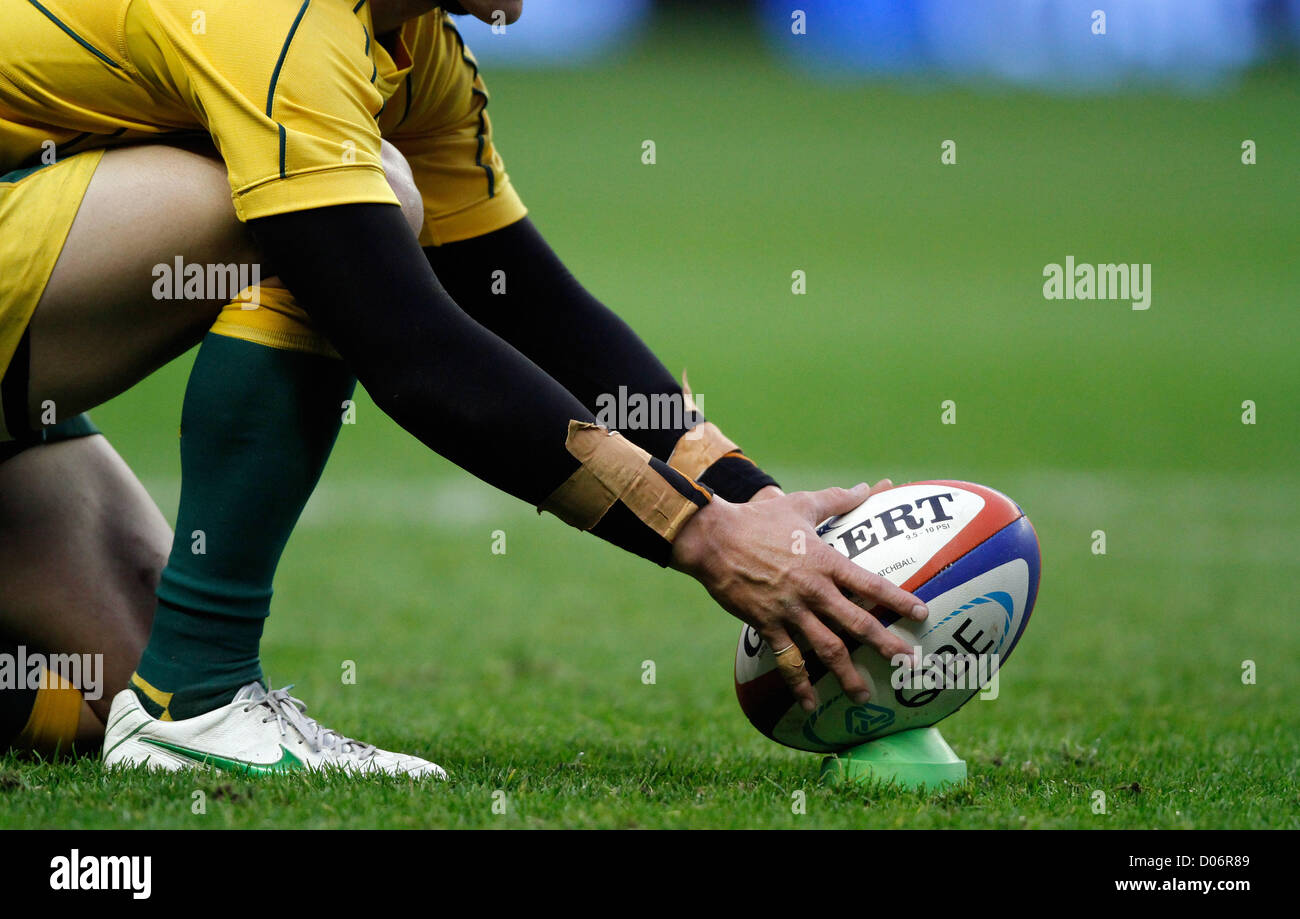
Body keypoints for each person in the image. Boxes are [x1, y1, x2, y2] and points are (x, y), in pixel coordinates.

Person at [0, 0, 926, 777]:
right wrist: (704, 537)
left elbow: (525, 300)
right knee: (331, 212)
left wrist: (754, 501)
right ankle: (196, 703)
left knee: (98, 691)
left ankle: (171, 698)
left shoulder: (415, 48)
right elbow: (411, 345)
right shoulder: (281, 21)